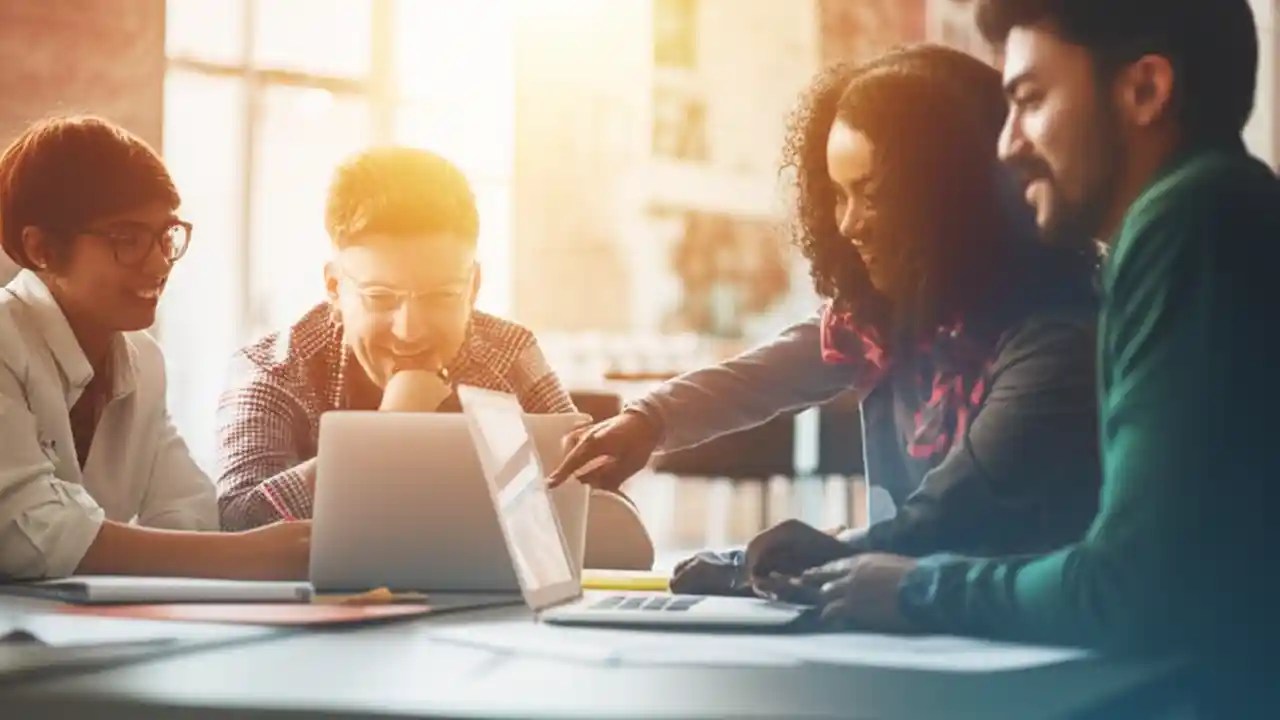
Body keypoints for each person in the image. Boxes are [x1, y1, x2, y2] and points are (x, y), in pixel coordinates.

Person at [763, 1, 1278, 715]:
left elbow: (1132, 587)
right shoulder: (1219, 216)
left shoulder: (1188, 223)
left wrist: (917, 588)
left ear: (1145, 91)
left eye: (1030, 101)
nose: (1006, 146)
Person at [551, 45, 1102, 592]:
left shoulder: (1051, 336)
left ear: (948, 195)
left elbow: (951, 513)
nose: (847, 225)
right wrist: (646, 422)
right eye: (837, 195)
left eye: (872, 195)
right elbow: (762, 378)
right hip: (923, 618)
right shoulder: (879, 323)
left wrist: (799, 557)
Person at [0, 116, 309, 580]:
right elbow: (27, 532)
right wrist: (248, 554)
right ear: (42, 248)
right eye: (127, 240)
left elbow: (189, 510)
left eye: (166, 235)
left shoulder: (143, 360)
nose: (160, 262)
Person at [216, 147, 577, 530]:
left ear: (473, 287)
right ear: (335, 288)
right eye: (380, 298)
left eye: (441, 296)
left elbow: (610, 514)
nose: (410, 331)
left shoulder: (509, 354)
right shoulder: (274, 372)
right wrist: (390, 431)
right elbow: (240, 525)